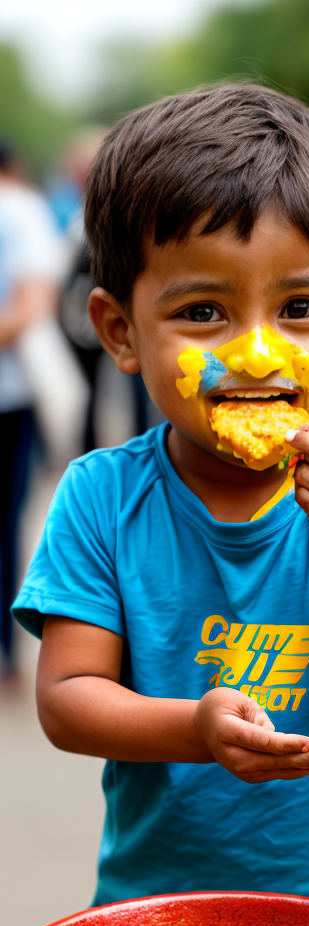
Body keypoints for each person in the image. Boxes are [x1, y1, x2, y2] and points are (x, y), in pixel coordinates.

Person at [12, 85, 309, 923]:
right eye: (204, 312)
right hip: (157, 914)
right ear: (119, 332)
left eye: (300, 308)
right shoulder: (101, 496)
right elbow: (67, 697)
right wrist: (193, 730)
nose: (256, 354)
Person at [0, 141, 63, 686]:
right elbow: (35, 301)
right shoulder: (21, 209)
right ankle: (4, 651)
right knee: (5, 519)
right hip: (10, 393)